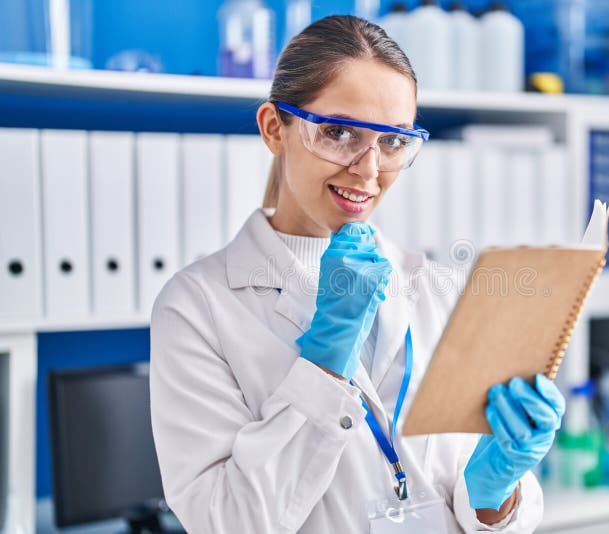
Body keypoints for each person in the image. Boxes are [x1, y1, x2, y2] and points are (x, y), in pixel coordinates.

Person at [149, 14, 565, 534]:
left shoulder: (438, 290)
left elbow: (465, 497)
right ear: (275, 128)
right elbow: (226, 520)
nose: (368, 171)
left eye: (392, 141)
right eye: (340, 132)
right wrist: (323, 363)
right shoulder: (195, 307)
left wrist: (493, 491)